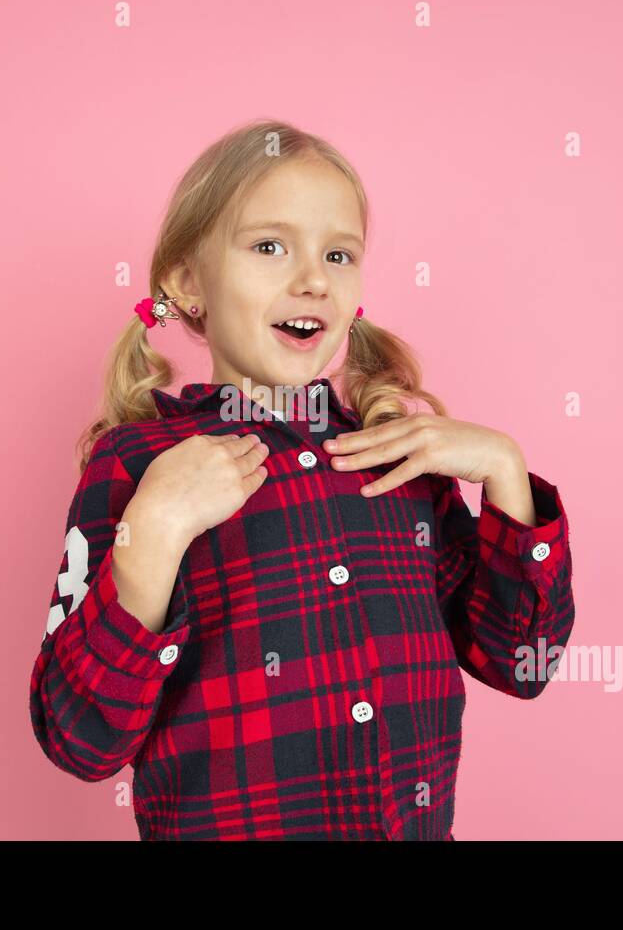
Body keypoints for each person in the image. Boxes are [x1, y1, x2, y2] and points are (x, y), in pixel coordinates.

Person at [29, 118, 576, 840]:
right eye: (268, 246)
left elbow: (519, 660)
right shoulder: (139, 464)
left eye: (339, 254)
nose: (314, 278)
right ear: (189, 281)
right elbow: (80, 740)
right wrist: (154, 531)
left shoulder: (399, 459)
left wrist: (505, 470)